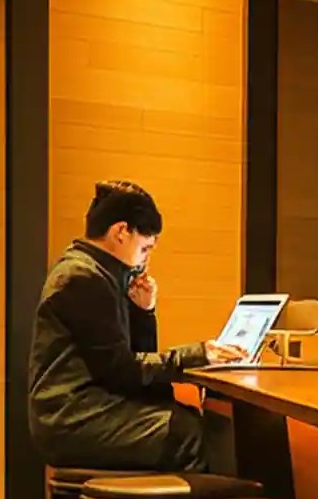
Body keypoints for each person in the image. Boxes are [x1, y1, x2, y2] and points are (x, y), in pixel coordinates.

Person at [28, 180, 247, 471]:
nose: (146, 259)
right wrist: (200, 353)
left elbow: (126, 368)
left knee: (187, 421)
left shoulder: (94, 272)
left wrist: (143, 312)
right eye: (145, 248)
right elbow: (122, 370)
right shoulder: (83, 277)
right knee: (192, 435)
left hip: (79, 412)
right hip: (73, 419)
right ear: (121, 232)